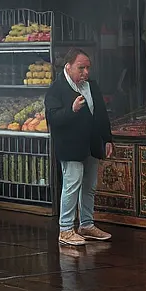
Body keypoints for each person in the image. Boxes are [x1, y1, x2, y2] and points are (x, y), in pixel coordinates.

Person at [45, 48, 114, 247]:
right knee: (72, 185)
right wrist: (72, 110)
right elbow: (53, 118)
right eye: (81, 68)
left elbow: (101, 114)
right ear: (68, 66)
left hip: (91, 144)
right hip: (70, 146)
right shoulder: (56, 89)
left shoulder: (91, 86)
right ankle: (65, 229)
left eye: (87, 68)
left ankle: (86, 224)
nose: (85, 72)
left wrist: (107, 139)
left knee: (90, 187)